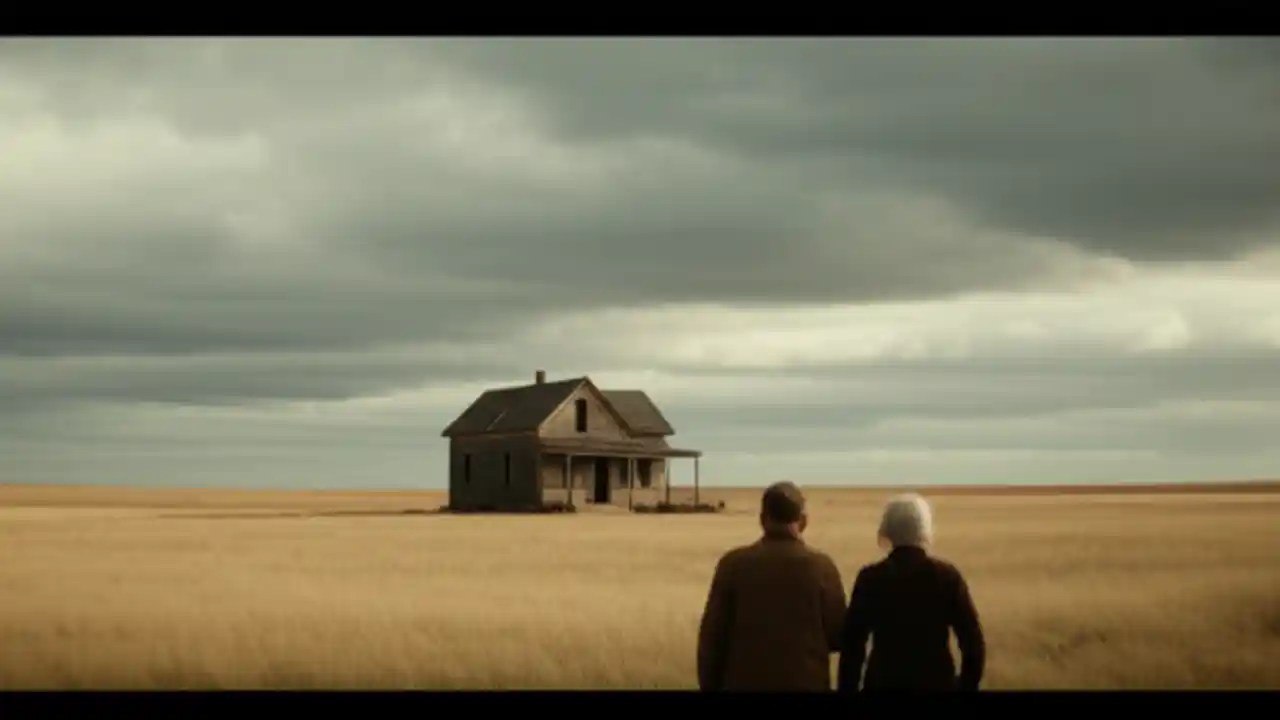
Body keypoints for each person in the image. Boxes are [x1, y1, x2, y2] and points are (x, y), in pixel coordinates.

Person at [697, 481, 847, 691]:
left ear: (762, 520)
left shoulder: (732, 565)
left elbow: (712, 640)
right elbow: (838, 636)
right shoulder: (822, 567)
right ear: (803, 521)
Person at [836, 493, 985, 692]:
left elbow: (852, 646)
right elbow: (973, 643)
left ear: (887, 530)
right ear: (925, 529)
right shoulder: (947, 577)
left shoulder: (870, 578)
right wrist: (965, 685)